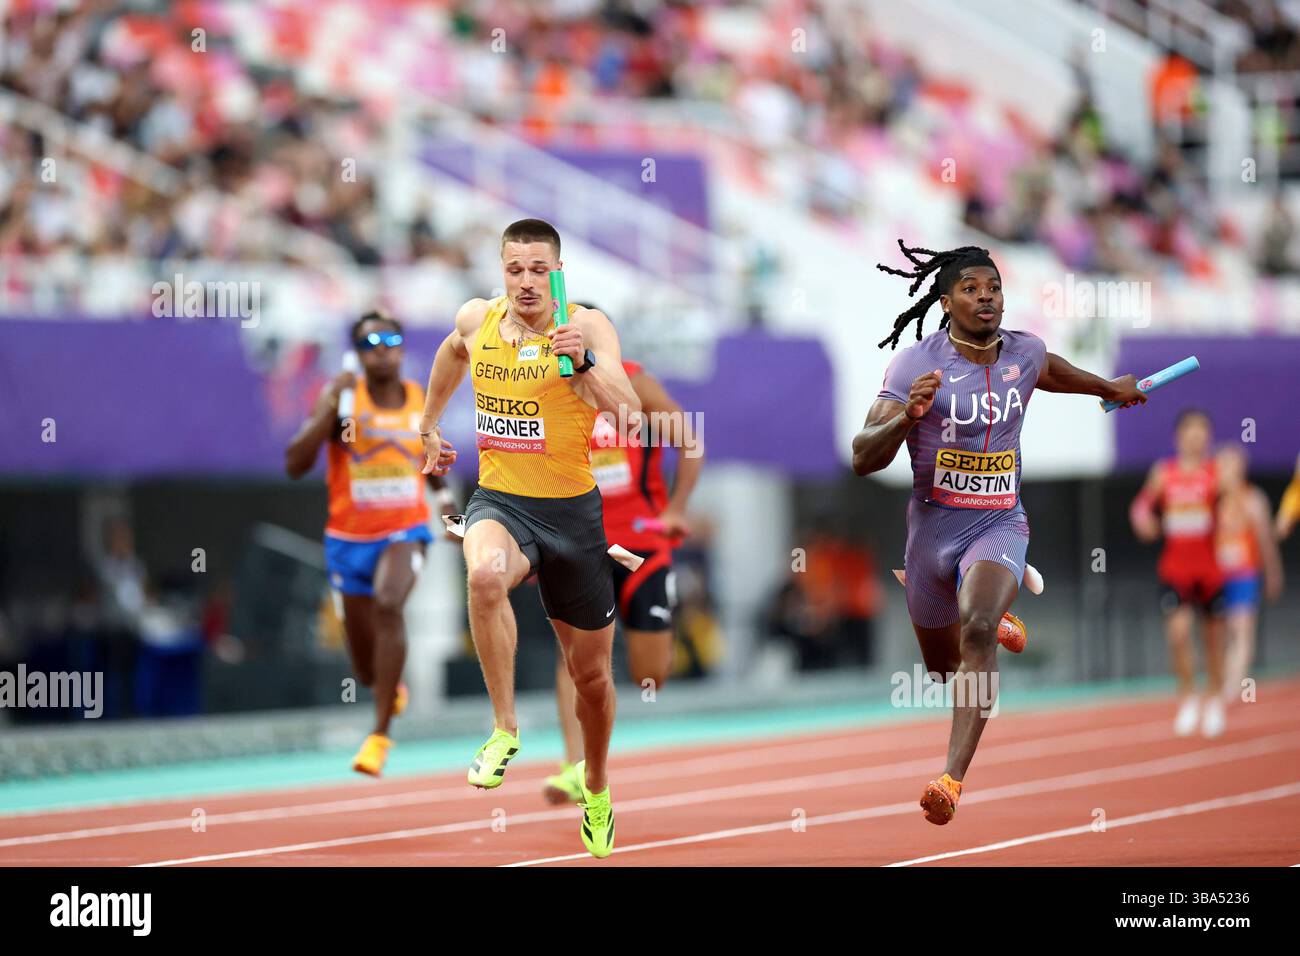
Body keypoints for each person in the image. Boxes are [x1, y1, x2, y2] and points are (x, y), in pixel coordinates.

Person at [851, 240, 1145, 826]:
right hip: (931, 531)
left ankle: (951, 779)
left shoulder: (1024, 353)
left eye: (994, 288)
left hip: (998, 522)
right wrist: (907, 418)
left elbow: (1050, 370)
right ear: (945, 298)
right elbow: (863, 457)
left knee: (979, 631)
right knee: (943, 672)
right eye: (970, 288)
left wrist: (1107, 387)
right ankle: (978, 608)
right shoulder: (915, 365)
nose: (986, 298)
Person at [417, 219, 641, 859]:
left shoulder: (589, 326)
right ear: (501, 270)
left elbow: (632, 417)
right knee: (483, 575)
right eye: (514, 269)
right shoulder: (477, 319)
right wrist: (429, 424)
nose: (525, 282)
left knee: (591, 678)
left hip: (574, 517)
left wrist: (585, 365)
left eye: (538, 269)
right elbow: (450, 354)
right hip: (501, 500)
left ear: (558, 271)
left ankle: (595, 788)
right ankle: (504, 728)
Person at [285, 310, 456, 777]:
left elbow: (433, 462)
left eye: (389, 338)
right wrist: (326, 409)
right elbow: (295, 464)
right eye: (368, 341)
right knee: (365, 669)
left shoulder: (421, 400)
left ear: (402, 345)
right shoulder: (343, 400)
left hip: (405, 530)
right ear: (357, 354)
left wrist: (446, 505)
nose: (380, 347)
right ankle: (386, 687)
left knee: (388, 604)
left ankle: (379, 735)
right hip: (347, 540)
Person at [542, 358, 704, 804]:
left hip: (643, 546)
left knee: (650, 674)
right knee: (574, 656)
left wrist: (676, 509)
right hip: (584, 544)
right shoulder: (549, 390)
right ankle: (575, 766)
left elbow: (690, 443)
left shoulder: (638, 386)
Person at [1129, 409, 1228, 737]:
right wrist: (1144, 520)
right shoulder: (1164, 473)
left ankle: (1214, 697)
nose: (1196, 437)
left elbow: (1235, 509)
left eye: (1202, 431)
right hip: (1176, 569)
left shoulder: (1218, 473)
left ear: (1208, 437)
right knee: (1179, 634)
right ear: (1179, 437)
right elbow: (1141, 506)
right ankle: (1188, 696)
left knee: (1212, 640)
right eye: (1190, 431)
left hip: (1211, 570)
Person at [1215, 444, 1283, 715]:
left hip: (1243, 573)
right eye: (1222, 465)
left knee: (1241, 629)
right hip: (1217, 575)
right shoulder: (1212, 499)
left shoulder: (1254, 499)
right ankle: (1220, 680)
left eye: (1232, 465)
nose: (1227, 471)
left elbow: (1266, 542)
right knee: (1219, 632)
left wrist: (1273, 573)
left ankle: (1233, 685)